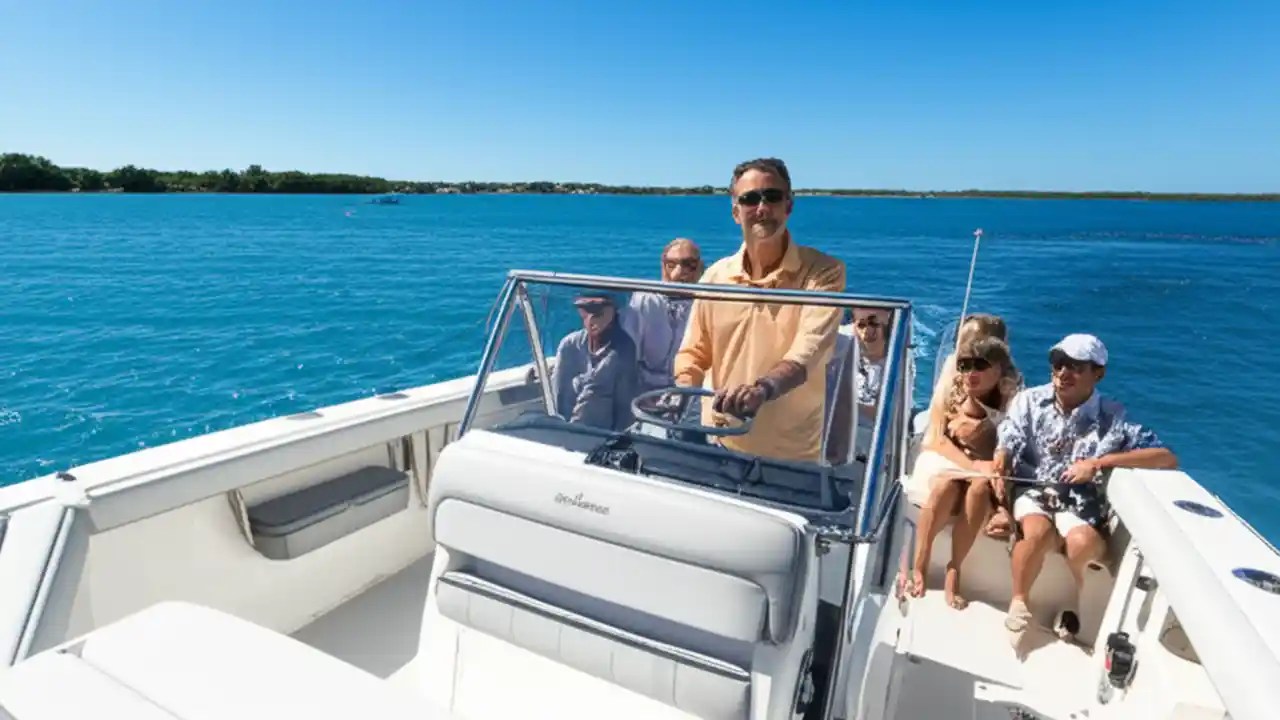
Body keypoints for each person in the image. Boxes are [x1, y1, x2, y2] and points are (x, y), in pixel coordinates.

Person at [995, 334, 1178, 650]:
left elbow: (1165, 458)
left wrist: (1099, 462)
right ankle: (1020, 603)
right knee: (1035, 532)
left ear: (1099, 373)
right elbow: (1009, 438)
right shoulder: (1028, 401)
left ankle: (1078, 602)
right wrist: (1000, 463)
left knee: (1081, 544)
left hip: (1081, 504)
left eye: (1076, 366)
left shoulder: (1113, 417)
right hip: (1034, 491)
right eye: (1059, 363)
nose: (1063, 372)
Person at [672, 157, 846, 462]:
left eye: (772, 196)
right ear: (735, 212)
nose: (762, 208)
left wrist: (762, 390)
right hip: (719, 442)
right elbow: (694, 353)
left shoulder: (824, 273)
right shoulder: (715, 277)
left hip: (790, 454)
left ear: (788, 206)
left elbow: (807, 352)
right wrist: (681, 393)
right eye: (750, 199)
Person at [907, 336, 1020, 609]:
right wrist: (974, 466)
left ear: (998, 370)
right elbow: (936, 439)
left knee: (980, 487)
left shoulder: (1012, 400)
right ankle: (919, 565)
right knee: (945, 487)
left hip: (986, 472)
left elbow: (1012, 443)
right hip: (949, 461)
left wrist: (987, 467)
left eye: (979, 365)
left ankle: (954, 568)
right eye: (965, 365)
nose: (970, 372)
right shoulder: (953, 391)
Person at [922, 313, 1020, 537]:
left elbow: (1012, 436)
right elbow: (935, 437)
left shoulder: (1011, 381)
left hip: (991, 457)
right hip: (952, 452)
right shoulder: (952, 371)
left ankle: (1001, 511)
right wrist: (973, 466)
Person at [622, 238, 703, 393]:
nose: (679, 272)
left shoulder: (706, 306)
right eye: (671, 264)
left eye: (689, 265)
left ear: (700, 268)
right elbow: (627, 357)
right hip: (645, 393)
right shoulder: (645, 302)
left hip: (690, 393)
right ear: (663, 267)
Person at [550, 291, 638, 431]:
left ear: (614, 310)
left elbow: (624, 410)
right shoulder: (569, 345)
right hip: (565, 433)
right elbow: (558, 395)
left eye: (598, 312)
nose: (591, 318)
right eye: (585, 311)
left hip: (601, 437)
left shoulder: (624, 349)